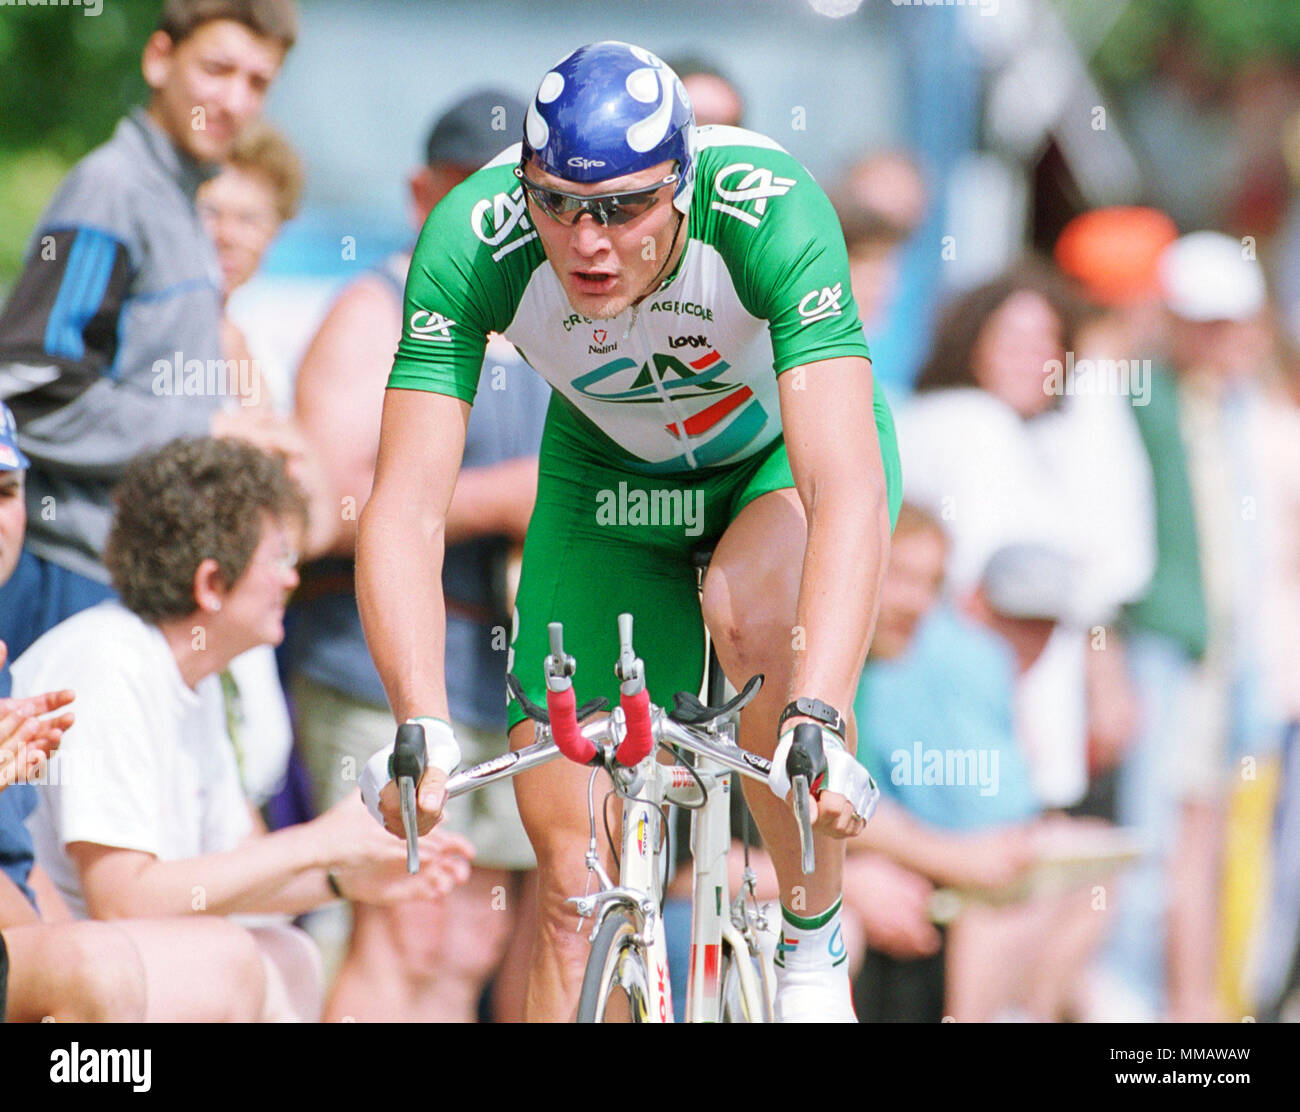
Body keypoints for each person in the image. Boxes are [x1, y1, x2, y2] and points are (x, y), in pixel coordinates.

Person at [358, 41, 902, 1023]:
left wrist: (816, 709)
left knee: (750, 610)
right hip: (608, 473)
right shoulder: (470, 239)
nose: (587, 240)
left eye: (623, 206)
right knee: (573, 892)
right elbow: (402, 500)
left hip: (771, 460)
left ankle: (812, 939)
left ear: (684, 187)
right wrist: (419, 715)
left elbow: (845, 485)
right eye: (556, 202)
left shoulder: (769, 208)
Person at [12, 437, 471, 1021]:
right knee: (230, 958)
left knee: (290, 955)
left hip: (117, 954)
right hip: (65, 970)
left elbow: (228, 875)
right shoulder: (108, 664)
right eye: (278, 557)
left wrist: (342, 878)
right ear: (209, 582)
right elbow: (123, 898)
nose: (291, 577)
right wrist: (320, 842)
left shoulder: (191, 674)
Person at [291, 88, 546, 1023]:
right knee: (406, 936)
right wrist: (499, 498)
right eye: (474, 195)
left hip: (504, 684)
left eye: (519, 198)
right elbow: (320, 509)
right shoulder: (373, 309)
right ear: (418, 193)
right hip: (375, 670)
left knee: (471, 944)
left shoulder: (550, 314)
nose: (501, 220)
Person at [0, 0, 300, 661]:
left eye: (258, 83)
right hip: (64, 584)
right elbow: (33, 391)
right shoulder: (110, 190)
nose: (233, 100)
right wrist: (211, 428)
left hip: (129, 591)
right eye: (217, 69)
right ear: (159, 58)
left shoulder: (183, 202)